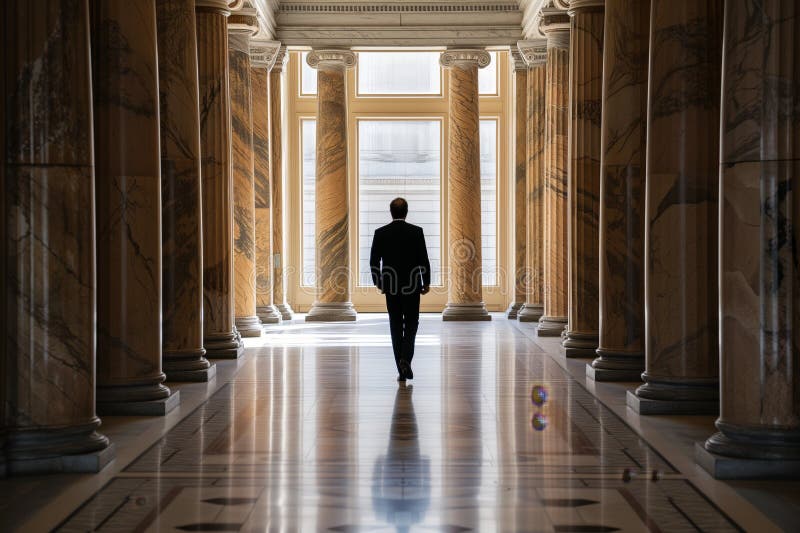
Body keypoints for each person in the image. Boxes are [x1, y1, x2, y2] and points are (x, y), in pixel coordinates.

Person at [369, 198, 431, 381]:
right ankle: (405, 359)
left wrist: (379, 282)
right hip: (412, 286)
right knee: (412, 323)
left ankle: (401, 368)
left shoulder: (380, 233)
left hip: (391, 286)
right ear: (406, 212)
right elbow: (423, 259)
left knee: (395, 325)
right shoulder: (416, 232)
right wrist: (426, 282)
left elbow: (374, 262)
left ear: (391, 212)